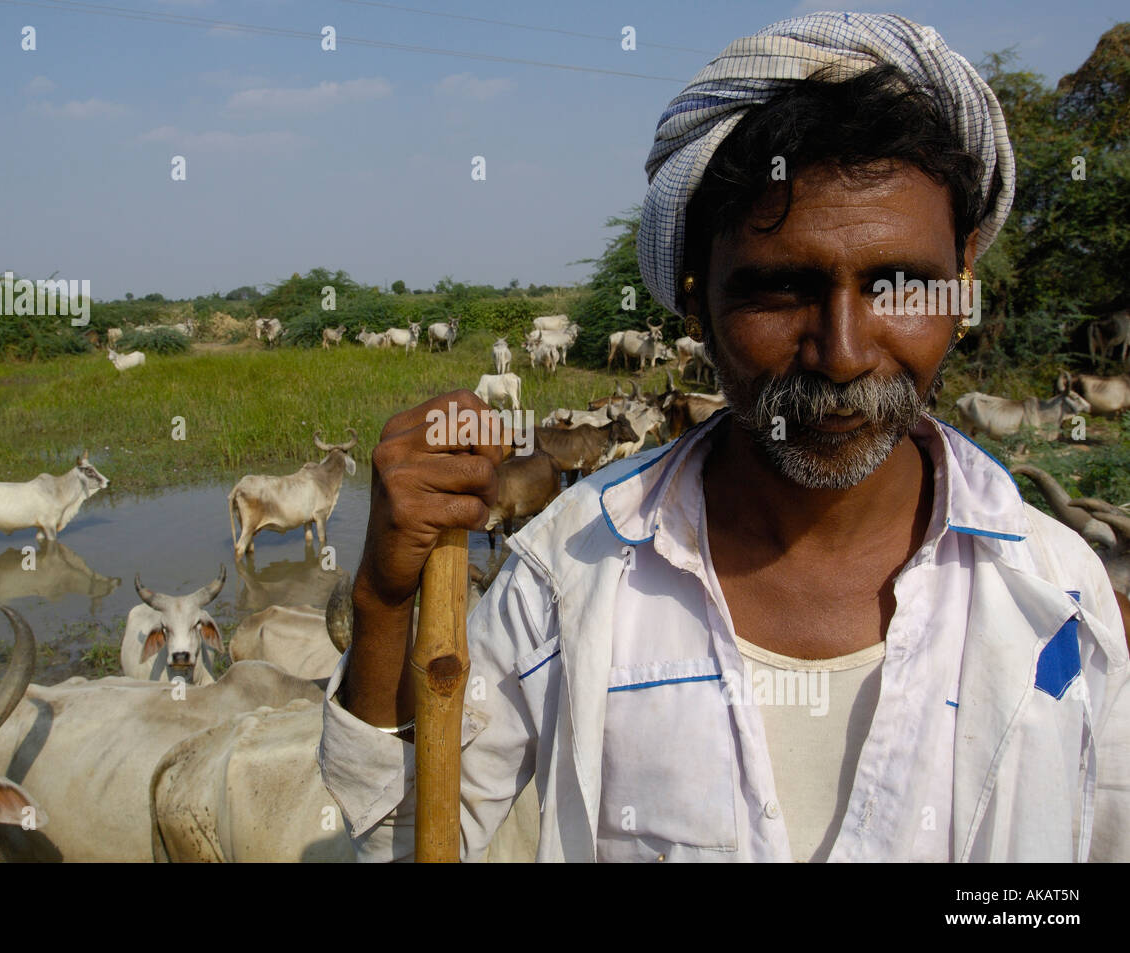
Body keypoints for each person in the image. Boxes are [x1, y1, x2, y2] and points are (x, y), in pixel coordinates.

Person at [319, 12, 1130, 862]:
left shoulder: (1056, 599)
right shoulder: (570, 577)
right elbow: (404, 838)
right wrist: (382, 598)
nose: (844, 354)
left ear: (963, 279)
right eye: (782, 290)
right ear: (696, 298)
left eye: (900, 285)